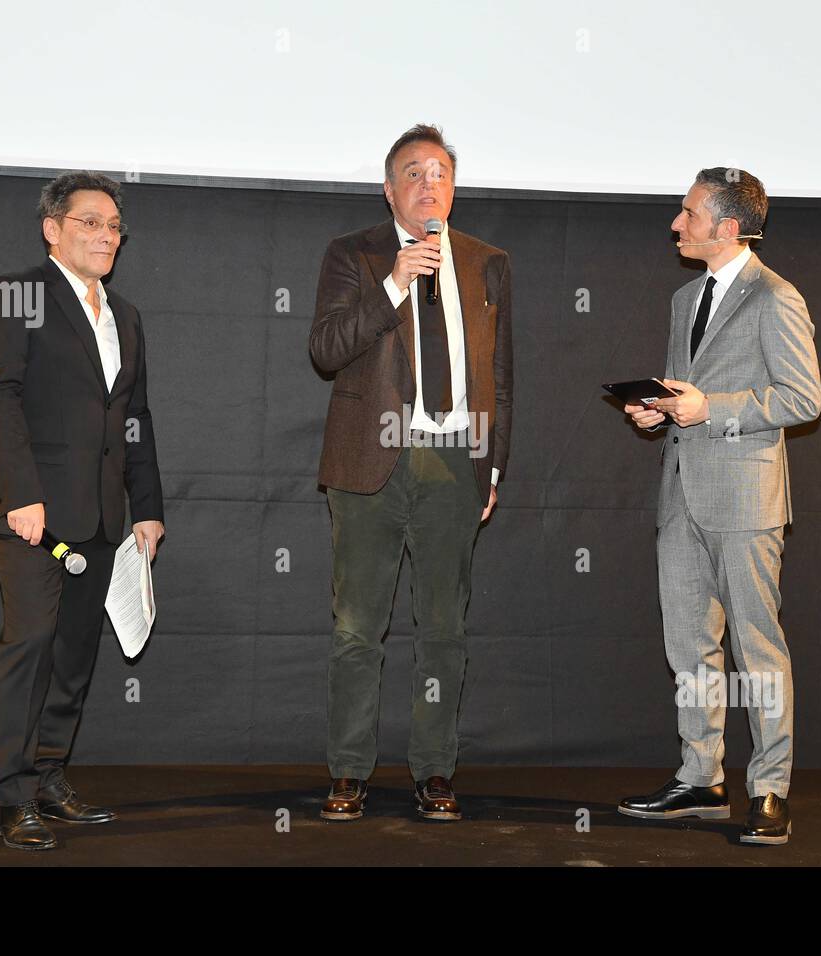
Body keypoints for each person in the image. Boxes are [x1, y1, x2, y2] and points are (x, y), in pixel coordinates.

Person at [308, 125, 512, 821]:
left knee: (443, 629)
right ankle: (348, 771)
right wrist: (395, 282)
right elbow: (328, 349)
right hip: (372, 459)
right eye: (414, 173)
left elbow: (500, 379)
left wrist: (492, 468)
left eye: (442, 173)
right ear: (389, 188)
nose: (431, 184)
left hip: (455, 460)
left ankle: (434, 771)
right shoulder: (354, 256)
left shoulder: (487, 262)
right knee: (358, 629)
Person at [619, 168, 821, 845]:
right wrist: (664, 412)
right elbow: (691, 395)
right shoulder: (685, 299)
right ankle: (700, 778)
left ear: (725, 228)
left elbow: (803, 399)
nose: (676, 224)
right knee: (689, 647)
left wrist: (713, 409)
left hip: (746, 500)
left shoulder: (776, 298)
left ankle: (769, 790)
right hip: (681, 496)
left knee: (758, 651)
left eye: (687, 213)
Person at [0, 171, 164, 850]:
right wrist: (22, 492)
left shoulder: (127, 316)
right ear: (52, 228)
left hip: (105, 518)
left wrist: (147, 507)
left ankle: (51, 777)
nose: (106, 236)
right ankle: (13, 796)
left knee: (75, 653)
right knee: (29, 648)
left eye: (115, 226)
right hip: (35, 517)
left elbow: (133, 418)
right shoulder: (18, 295)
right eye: (91, 222)